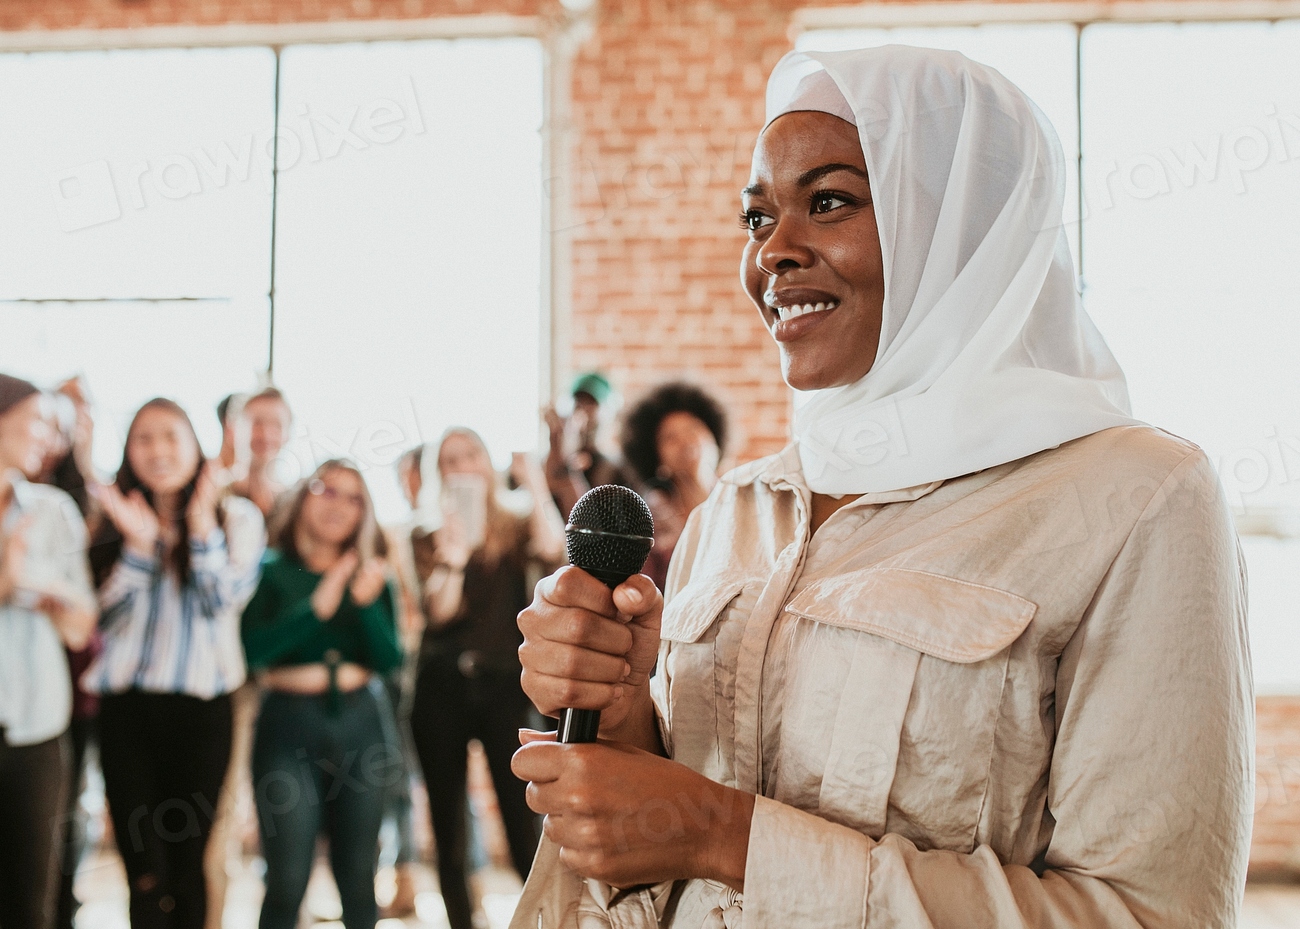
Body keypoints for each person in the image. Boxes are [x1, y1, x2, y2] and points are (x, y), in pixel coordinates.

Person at [509, 46, 1253, 928]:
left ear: (961, 229)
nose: (772, 255)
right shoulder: (739, 512)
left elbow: (1150, 915)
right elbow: (671, 849)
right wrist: (628, 724)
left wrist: (722, 833)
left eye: (830, 201)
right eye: (755, 219)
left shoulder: (1138, 498)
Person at [85, 398, 265, 929]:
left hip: (202, 711)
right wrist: (140, 548)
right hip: (126, 714)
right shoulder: (113, 519)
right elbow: (103, 620)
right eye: (144, 438)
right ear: (128, 450)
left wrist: (200, 524)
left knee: (189, 867)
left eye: (171, 437)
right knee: (142, 870)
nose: (158, 451)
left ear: (195, 447)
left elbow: (222, 603)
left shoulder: (237, 517)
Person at [407, 429, 565, 929]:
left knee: (522, 815)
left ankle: (541, 917)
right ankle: (461, 921)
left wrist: (535, 482)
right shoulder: (424, 533)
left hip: (504, 687)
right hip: (441, 688)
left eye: (470, 455)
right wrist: (453, 556)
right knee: (448, 821)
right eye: (449, 460)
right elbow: (439, 613)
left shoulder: (517, 523)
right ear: (438, 473)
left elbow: (554, 550)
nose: (462, 467)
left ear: (488, 462)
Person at [240, 459, 403, 929]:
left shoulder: (372, 575)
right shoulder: (271, 571)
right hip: (287, 726)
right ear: (303, 497)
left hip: (362, 725)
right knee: (287, 878)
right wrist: (318, 607)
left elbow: (391, 662)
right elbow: (253, 650)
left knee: (357, 876)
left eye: (354, 497)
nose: (339, 506)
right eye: (327, 490)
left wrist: (366, 606)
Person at [0, 374, 97, 929]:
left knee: (30, 898)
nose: (47, 435)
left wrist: (42, 584)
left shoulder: (53, 511)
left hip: (36, 730)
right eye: (36, 420)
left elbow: (80, 629)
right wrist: (8, 579)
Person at [618, 382, 728, 590]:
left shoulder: (746, 500)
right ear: (658, 462)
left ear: (715, 440)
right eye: (670, 437)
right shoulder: (647, 522)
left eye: (693, 428)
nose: (685, 440)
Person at [544, 372, 636, 520]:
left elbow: (591, 524)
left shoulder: (618, 469)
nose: (583, 411)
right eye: (578, 403)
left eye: (591, 404)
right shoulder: (557, 458)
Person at [228, 388, 292, 520]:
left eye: (276, 425)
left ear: (288, 435)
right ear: (234, 430)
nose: (266, 434)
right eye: (257, 423)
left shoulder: (293, 503)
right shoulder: (215, 494)